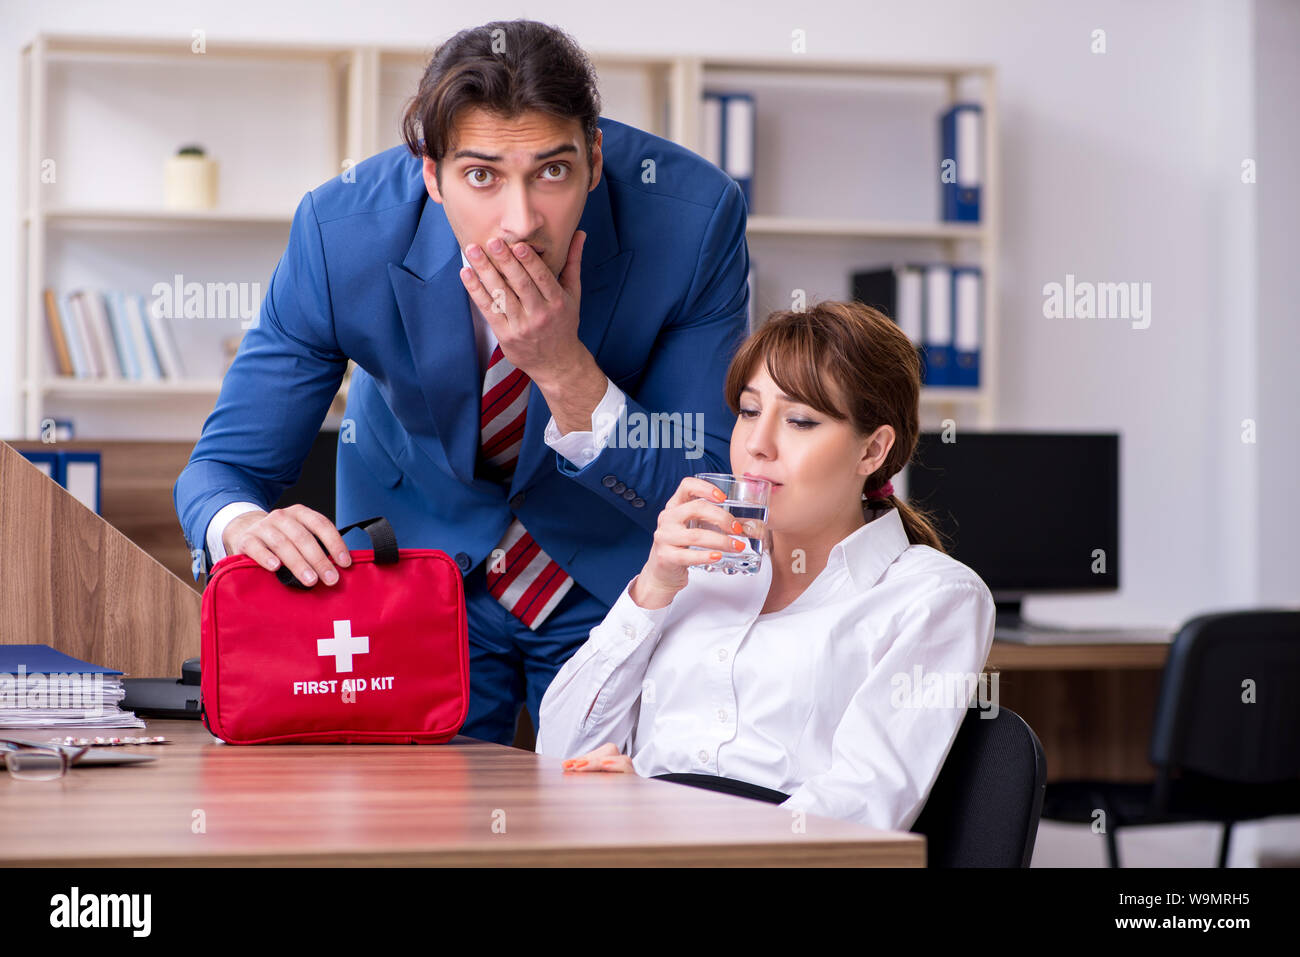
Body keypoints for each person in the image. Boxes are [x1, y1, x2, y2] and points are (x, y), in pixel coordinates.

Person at [172, 19, 749, 745]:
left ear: (595, 159)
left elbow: (708, 494)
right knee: (410, 836)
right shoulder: (341, 231)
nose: (521, 220)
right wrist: (244, 526)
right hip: (416, 577)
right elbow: (221, 471)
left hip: (611, 583)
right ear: (431, 174)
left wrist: (565, 370)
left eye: (553, 171)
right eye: (482, 175)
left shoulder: (693, 221)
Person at [535, 300, 997, 833]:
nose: (756, 444)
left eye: (800, 420)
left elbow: (859, 812)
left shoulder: (933, 598)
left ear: (872, 450)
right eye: (749, 412)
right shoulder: (697, 570)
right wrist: (652, 590)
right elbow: (559, 754)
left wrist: (662, 808)